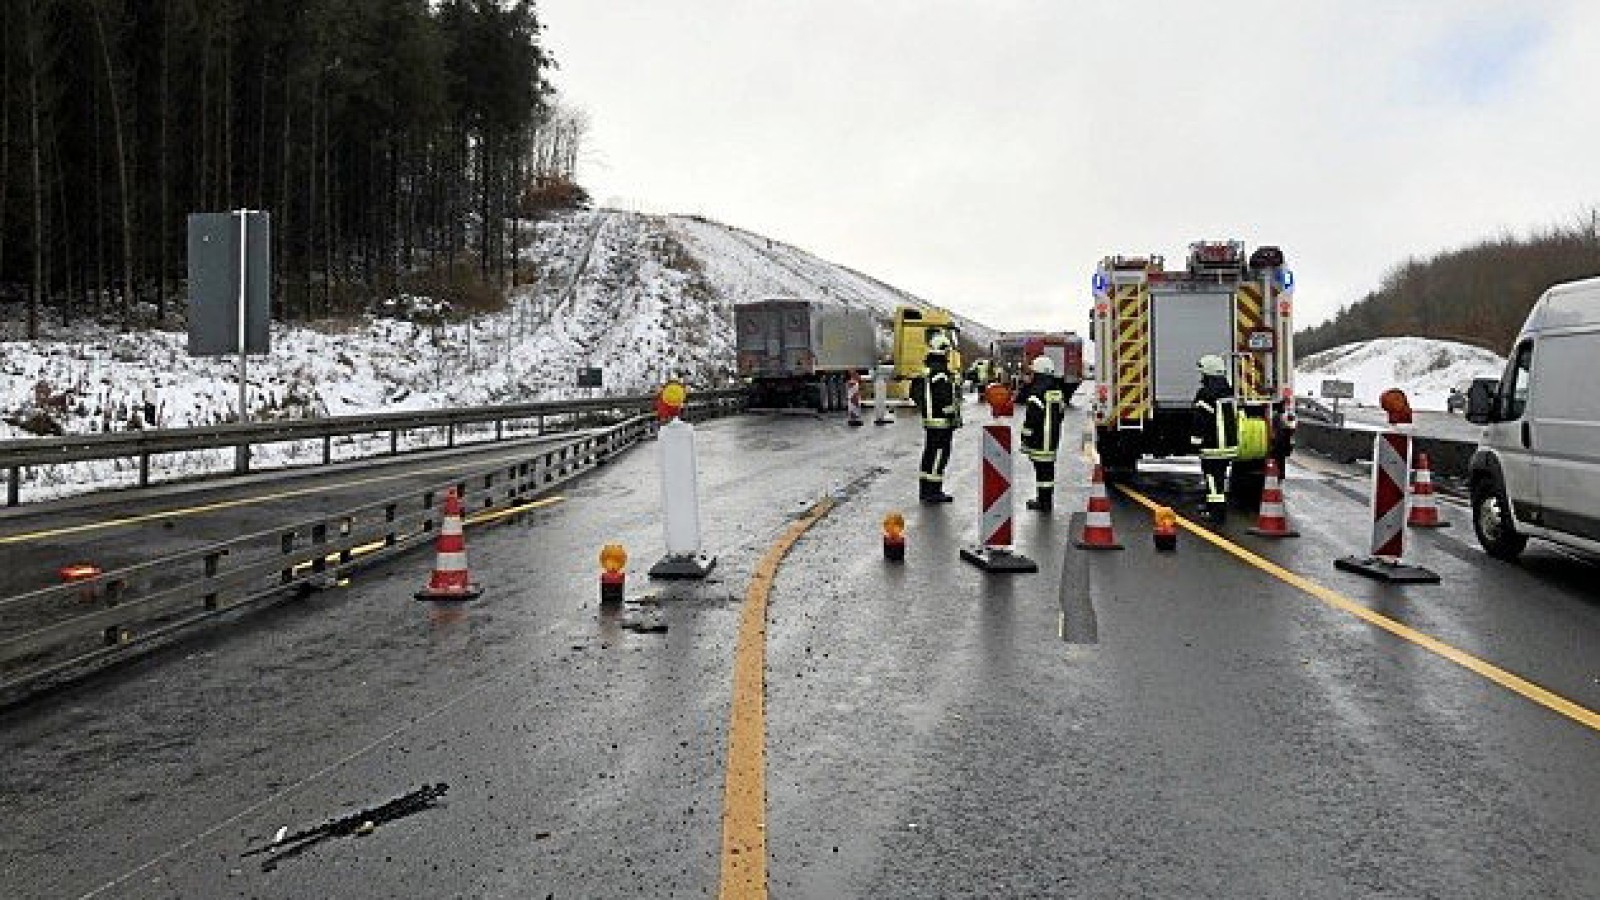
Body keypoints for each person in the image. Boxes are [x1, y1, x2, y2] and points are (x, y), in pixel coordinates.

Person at [912, 334, 960, 503]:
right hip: (942, 423)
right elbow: (944, 399)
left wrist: (926, 408)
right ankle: (933, 492)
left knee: (929, 454)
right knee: (939, 455)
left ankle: (925, 490)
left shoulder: (925, 371)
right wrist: (952, 416)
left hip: (930, 421)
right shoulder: (941, 373)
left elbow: (914, 393)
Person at [1191, 354, 1240, 522]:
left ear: (1208, 373)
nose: (1201, 377)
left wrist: (1196, 441)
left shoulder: (1205, 394)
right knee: (1219, 477)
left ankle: (1216, 512)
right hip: (1228, 445)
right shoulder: (1228, 392)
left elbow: (1200, 421)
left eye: (1202, 373)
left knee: (1212, 479)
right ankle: (1211, 507)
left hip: (1213, 445)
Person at [1017, 354, 1067, 511]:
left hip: (1039, 439)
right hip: (1052, 438)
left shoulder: (1037, 392)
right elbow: (1061, 413)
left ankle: (1043, 503)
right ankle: (1046, 500)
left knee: (1041, 472)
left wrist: (1025, 437)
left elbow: (1032, 419)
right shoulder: (1056, 390)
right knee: (1048, 471)